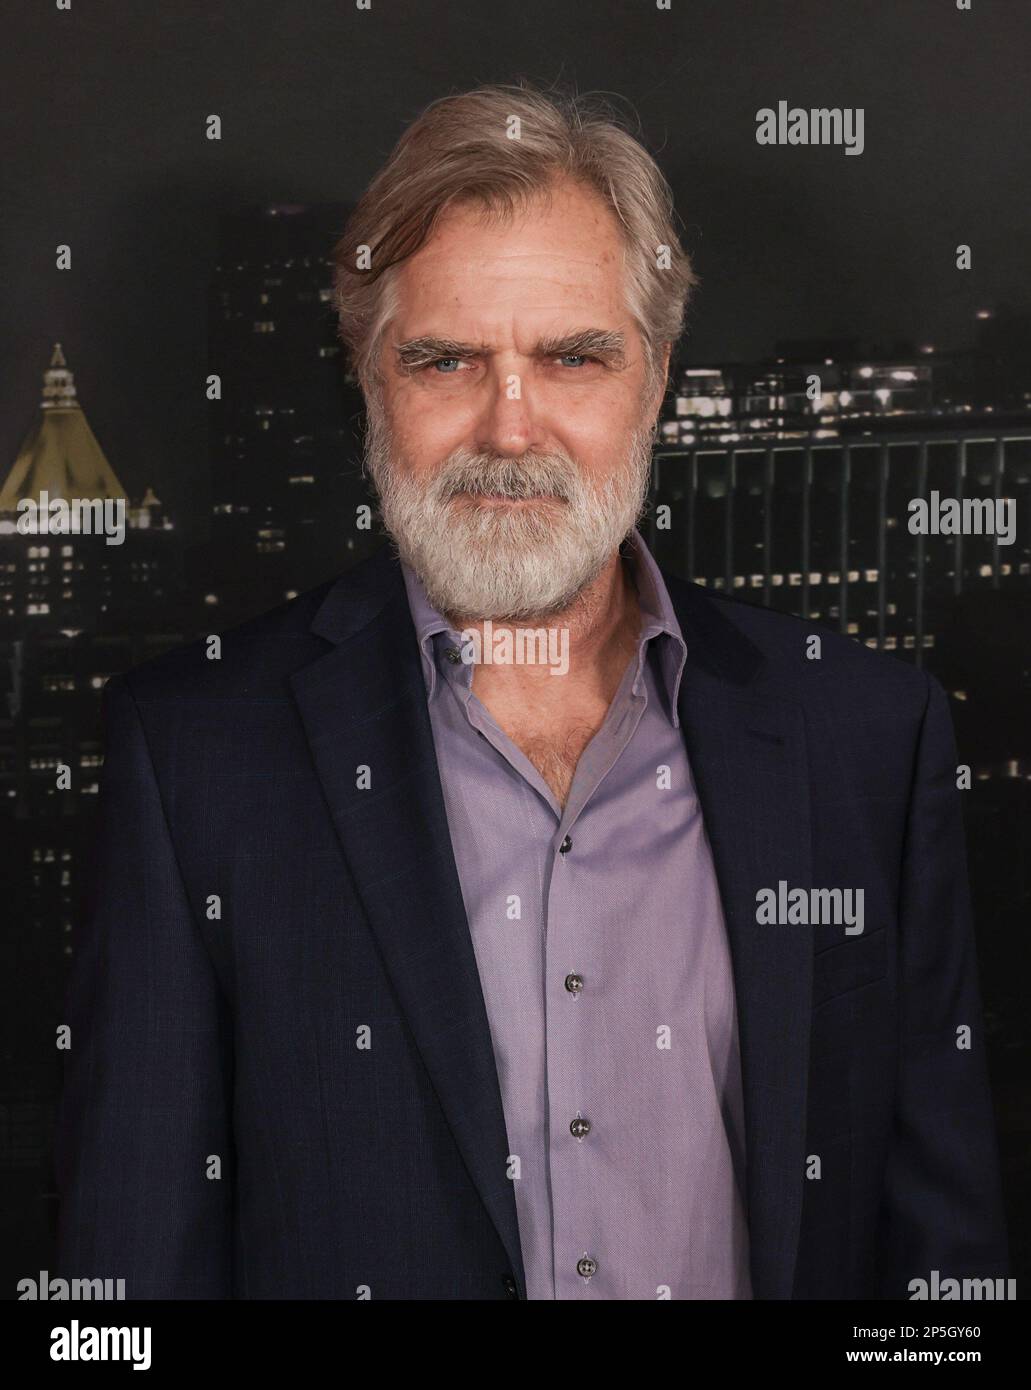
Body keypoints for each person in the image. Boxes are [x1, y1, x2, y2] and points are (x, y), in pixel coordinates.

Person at [54, 83, 1008, 1300]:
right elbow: (125, 1294)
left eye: (571, 357)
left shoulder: (866, 737)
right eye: (445, 359)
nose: (511, 428)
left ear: (653, 380)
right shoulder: (192, 753)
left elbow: (939, 1271)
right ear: (367, 380)